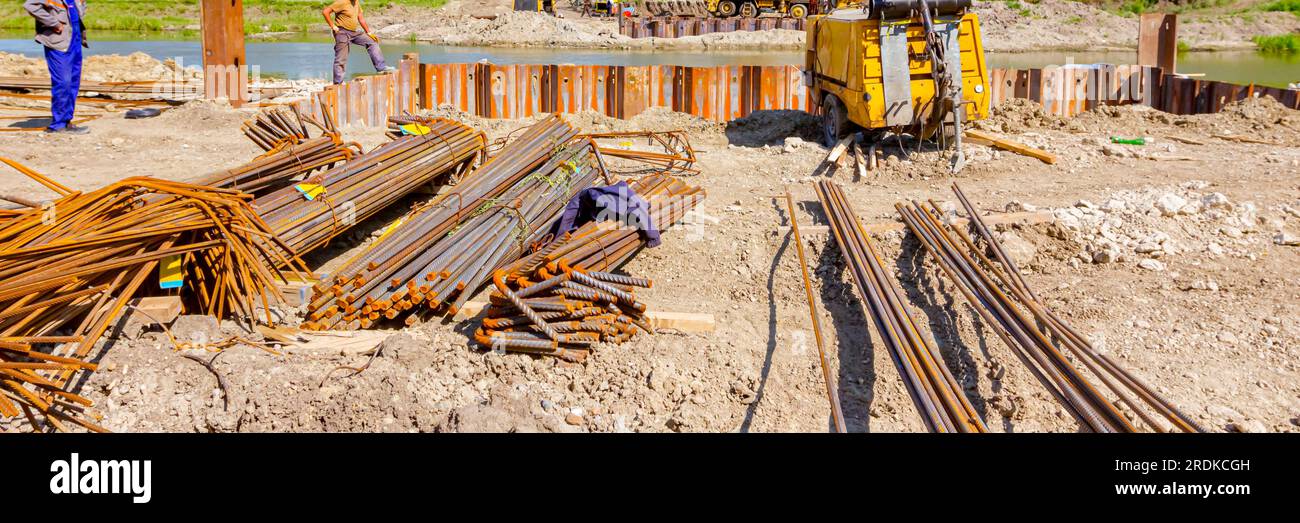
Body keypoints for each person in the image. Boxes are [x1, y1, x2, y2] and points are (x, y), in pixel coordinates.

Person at [24, 0, 89, 134]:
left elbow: (80, 12)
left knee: (73, 83)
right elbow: (30, 5)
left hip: (75, 41)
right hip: (58, 44)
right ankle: (58, 124)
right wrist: (54, 23)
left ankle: (66, 121)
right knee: (63, 83)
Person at [323, 0, 394, 85]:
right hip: (342, 32)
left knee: (372, 42)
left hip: (353, 32)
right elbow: (325, 12)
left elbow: (361, 19)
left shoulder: (356, 3)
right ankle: (338, 83)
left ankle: (381, 67)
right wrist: (333, 26)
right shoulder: (342, 2)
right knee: (341, 58)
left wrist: (369, 33)